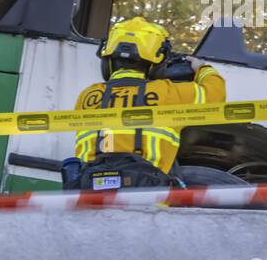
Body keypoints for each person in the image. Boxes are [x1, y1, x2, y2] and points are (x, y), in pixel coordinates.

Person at [66, 17, 226, 190]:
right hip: (148, 203)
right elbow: (216, 94)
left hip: (90, 201)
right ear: (157, 65)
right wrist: (201, 68)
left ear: (108, 62)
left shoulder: (89, 96)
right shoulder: (168, 93)